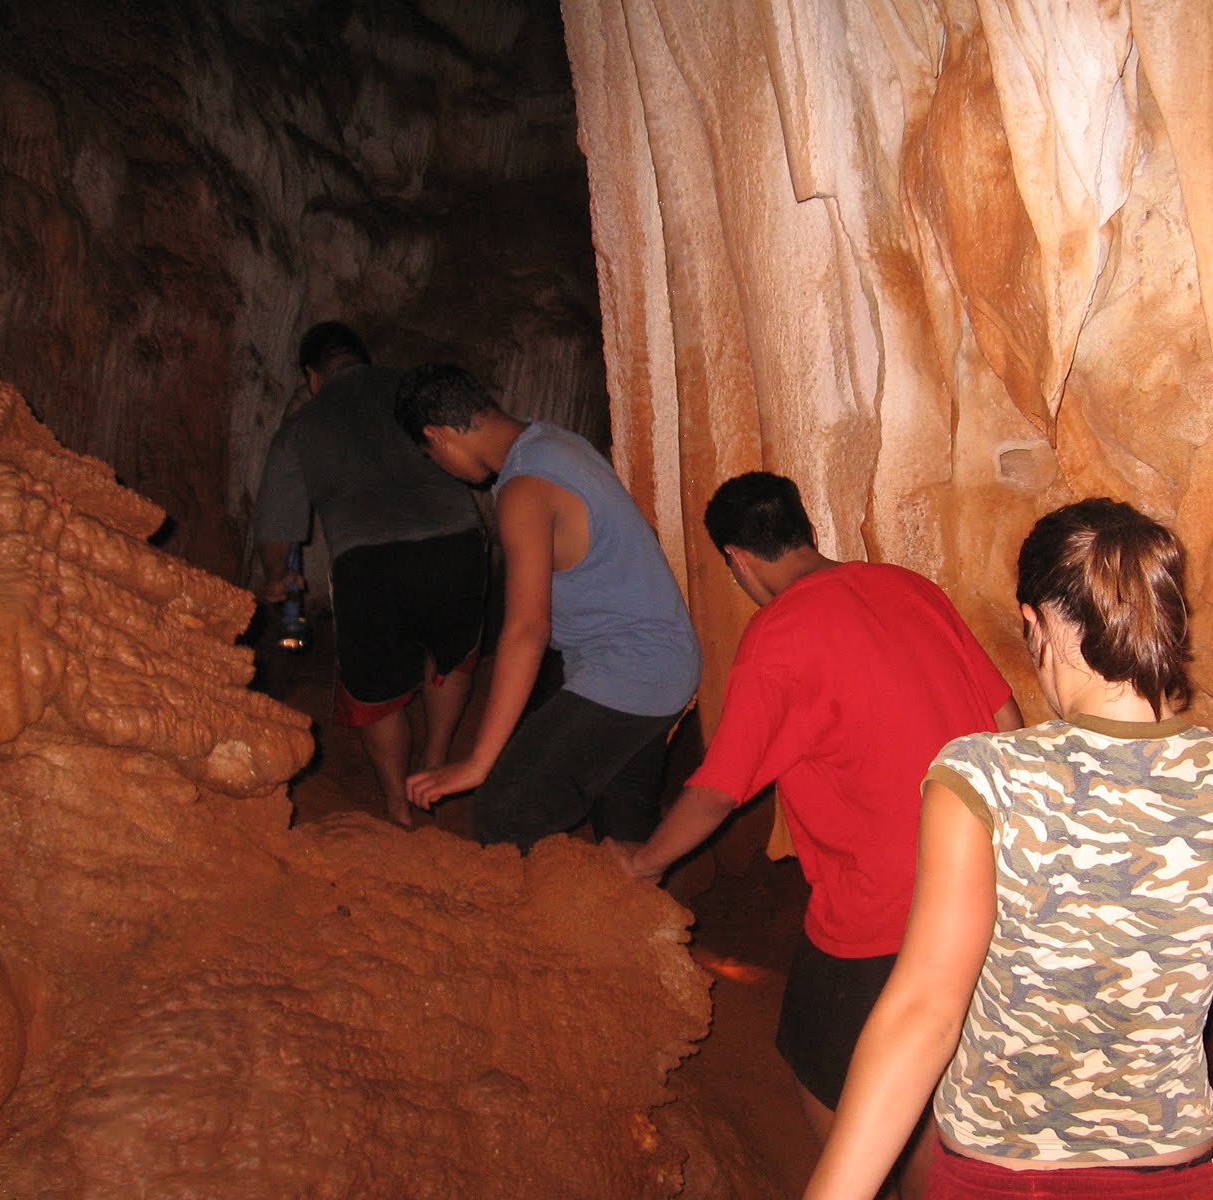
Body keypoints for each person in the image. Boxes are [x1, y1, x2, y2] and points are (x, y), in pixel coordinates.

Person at [804, 498, 1213, 1200]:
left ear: (1035, 625)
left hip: (1000, 1175)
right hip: (1173, 1172)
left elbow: (926, 1011)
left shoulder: (986, 777)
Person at [610, 471, 1021, 1200]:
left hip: (879, 917)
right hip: (984, 888)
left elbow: (715, 794)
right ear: (803, 527)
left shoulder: (779, 638)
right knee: (932, 1088)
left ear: (738, 559)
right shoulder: (909, 588)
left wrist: (641, 865)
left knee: (826, 1067)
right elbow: (1004, 715)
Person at [393, 363, 700, 848]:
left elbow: (526, 630)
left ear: (438, 435)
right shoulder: (556, 445)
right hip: (663, 664)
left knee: (504, 813)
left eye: (432, 456)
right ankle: (632, 919)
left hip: (626, 670)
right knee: (622, 835)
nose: (443, 469)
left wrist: (478, 763)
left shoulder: (523, 489)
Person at [254, 321, 488, 828]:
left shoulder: (303, 424)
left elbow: (277, 523)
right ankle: (435, 760)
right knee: (448, 658)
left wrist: (276, 576)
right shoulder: (415, 389)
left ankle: (397, 805)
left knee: (374, 695)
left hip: (369, 563)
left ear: (313, 377)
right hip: (457, 543)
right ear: (365, 359)